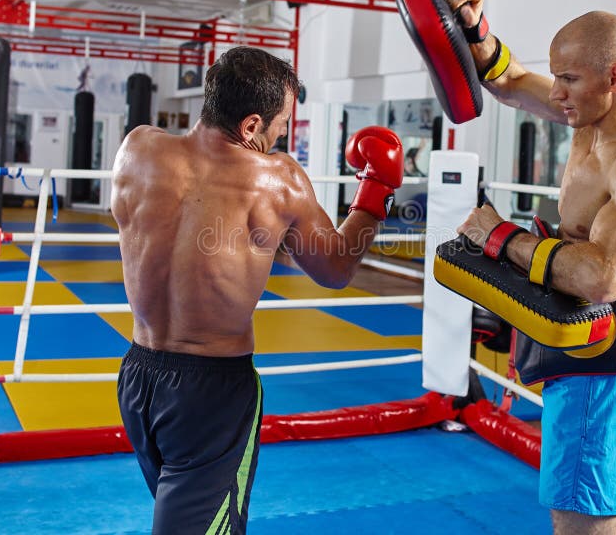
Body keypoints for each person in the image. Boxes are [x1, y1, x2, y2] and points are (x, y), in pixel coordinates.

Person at [111, 46, 404, 534]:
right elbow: (335, 268)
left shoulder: (137, 149)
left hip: (139, 378)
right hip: (213, 393)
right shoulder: (277, 181)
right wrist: (373, 196)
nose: (283, 134)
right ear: (251, 127)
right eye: (281, 123)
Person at [443, 0, 616, 534]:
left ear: (615, 78)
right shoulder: (589, 121)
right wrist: (473, 26)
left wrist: (500, 237)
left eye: (569, 79)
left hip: (600, 372)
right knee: (613, 521)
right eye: (556, 76)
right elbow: (505, 81)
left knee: (580, 524)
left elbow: (603, 277)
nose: (556, 92)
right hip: (586, 362)